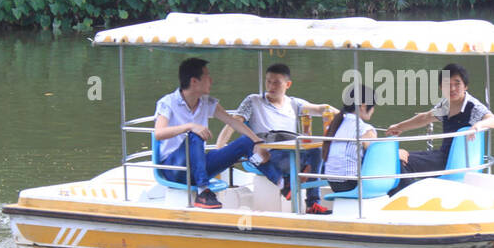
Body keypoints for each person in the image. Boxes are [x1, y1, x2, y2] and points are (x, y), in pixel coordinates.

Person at [220, 63, 336, 215]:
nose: (271, 86)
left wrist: (347, 117)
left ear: (288, 84)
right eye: (268, 81)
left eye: (276, 83)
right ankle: (297, 176)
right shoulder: (253, 101)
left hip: (292, 151)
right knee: (304, 160)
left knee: (318, 151)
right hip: (265, 153)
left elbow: (321, 109)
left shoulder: (294, 103)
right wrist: (219, 147)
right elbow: (233, 122)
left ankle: (312, 203)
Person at [154, 57, 266, 209]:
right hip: (175, 169)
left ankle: (281, 182)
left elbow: (233, 122)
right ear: (194, 81)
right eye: (207, 76)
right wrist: (190, 126)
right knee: (195, 134)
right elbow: (159, 133)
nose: (211, 80)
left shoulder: (207, 102)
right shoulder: (168, 102)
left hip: (198, 167)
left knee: (246, 142)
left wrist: (257, 141)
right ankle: (203, 192)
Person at [386, 63, 494, 191]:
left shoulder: (472, 106)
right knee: (398, 158)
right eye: (447, 84)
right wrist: (399, 127)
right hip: (443, 155)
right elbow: (425, 117)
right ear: (441, 87)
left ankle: (411, 195)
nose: (452, 89)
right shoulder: (446, 105)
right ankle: (407, 193)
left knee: (402, 162)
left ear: (465, 86)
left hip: (456, 161)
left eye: (457, 84)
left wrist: (478, 125)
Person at [320, 85, 378, 200]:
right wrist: (397, 153)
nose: (373, 110)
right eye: (373, 107)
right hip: (351, 183)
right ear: (363, 106)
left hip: (334, 183)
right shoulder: (364, 129)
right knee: (401, 166)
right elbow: (378, 156)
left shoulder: (337, 124)